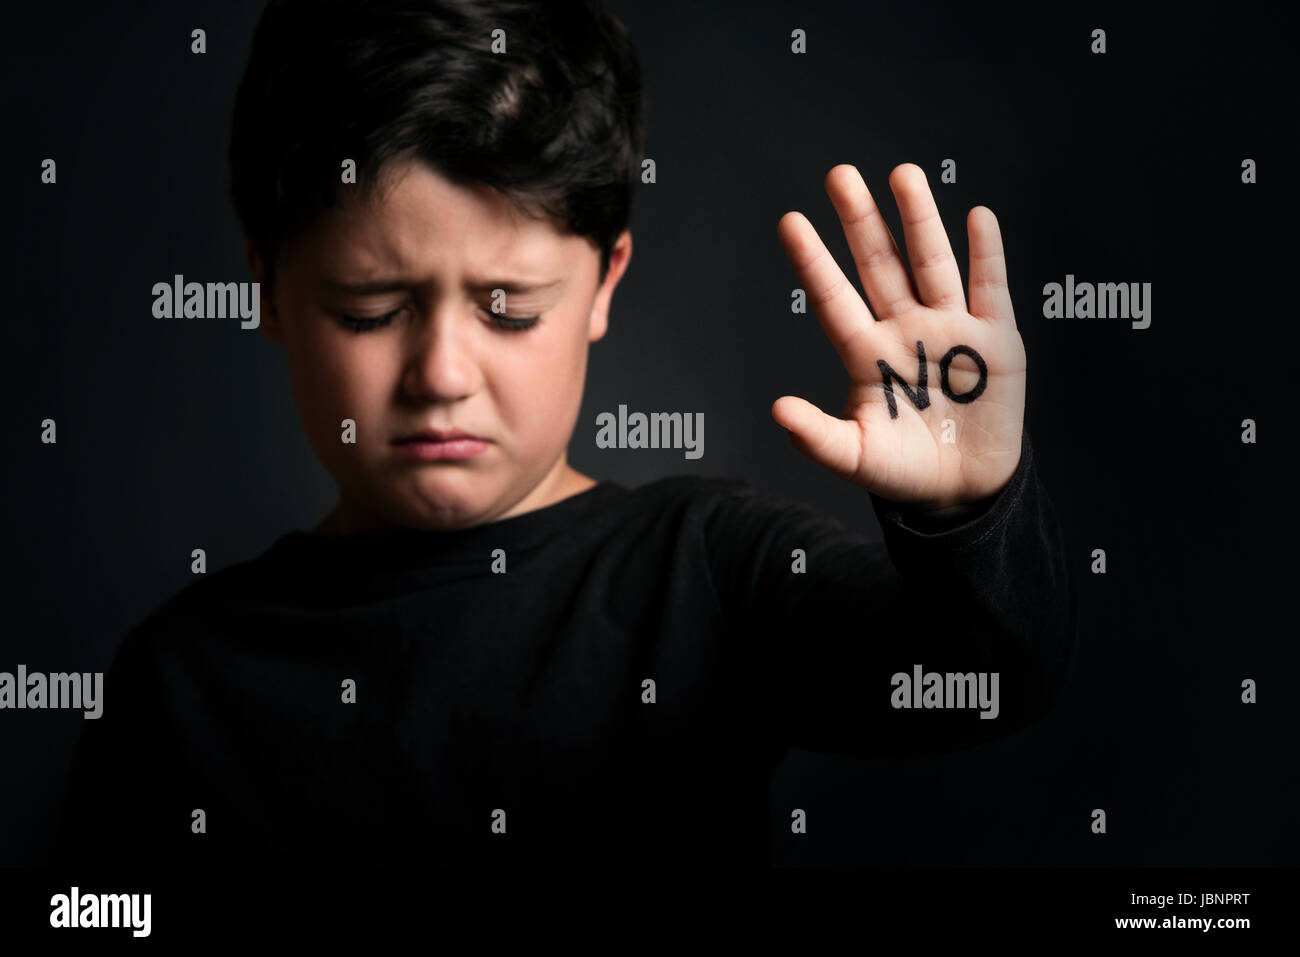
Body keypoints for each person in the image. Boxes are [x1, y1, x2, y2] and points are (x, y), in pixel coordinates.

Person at [52, 0, 1076, 868]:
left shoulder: (707, 572)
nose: (441, 376)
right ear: (268, 291)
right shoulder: (178, 684)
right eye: (369, 309)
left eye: (509, 307)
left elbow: (982, 681)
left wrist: (964, 515)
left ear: (604, 283)